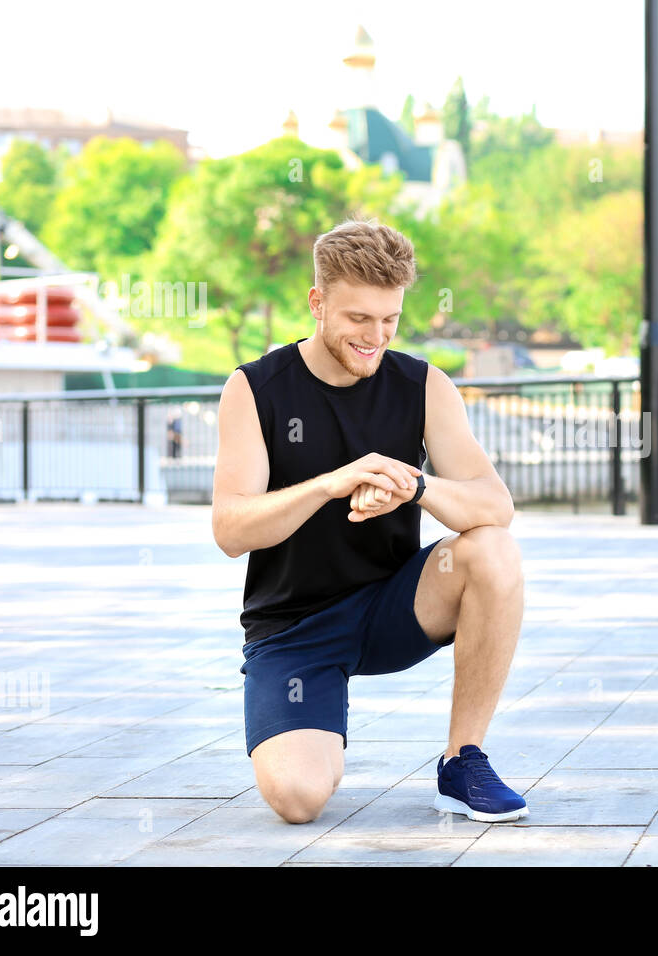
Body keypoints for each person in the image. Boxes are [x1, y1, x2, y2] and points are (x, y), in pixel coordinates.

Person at [211, 219, 527, 824]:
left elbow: (495, 505)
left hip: (393, 606)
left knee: (493, 550)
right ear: (317, 301)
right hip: (293, 628)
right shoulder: (254, 390)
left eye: (390, 321)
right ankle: (312, 716)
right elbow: (231, 529)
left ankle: (464, 760)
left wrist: (416, 486)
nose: (375, 337)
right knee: (298, 799)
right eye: (359, 319)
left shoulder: (424, 385)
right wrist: (332, 483)